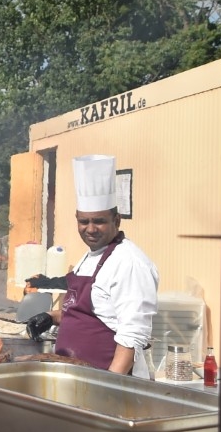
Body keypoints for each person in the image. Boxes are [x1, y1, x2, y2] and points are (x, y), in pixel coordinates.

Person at [27, 154, 157, 376]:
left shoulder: (129, 263)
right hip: (74, 381)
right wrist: (51, 316)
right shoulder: (88, 258)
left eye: (99, 221)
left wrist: (107, 389)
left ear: (116, 221)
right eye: (83, 221)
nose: (90, 228)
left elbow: (132, 336)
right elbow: (88, 312)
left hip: (107, 386)